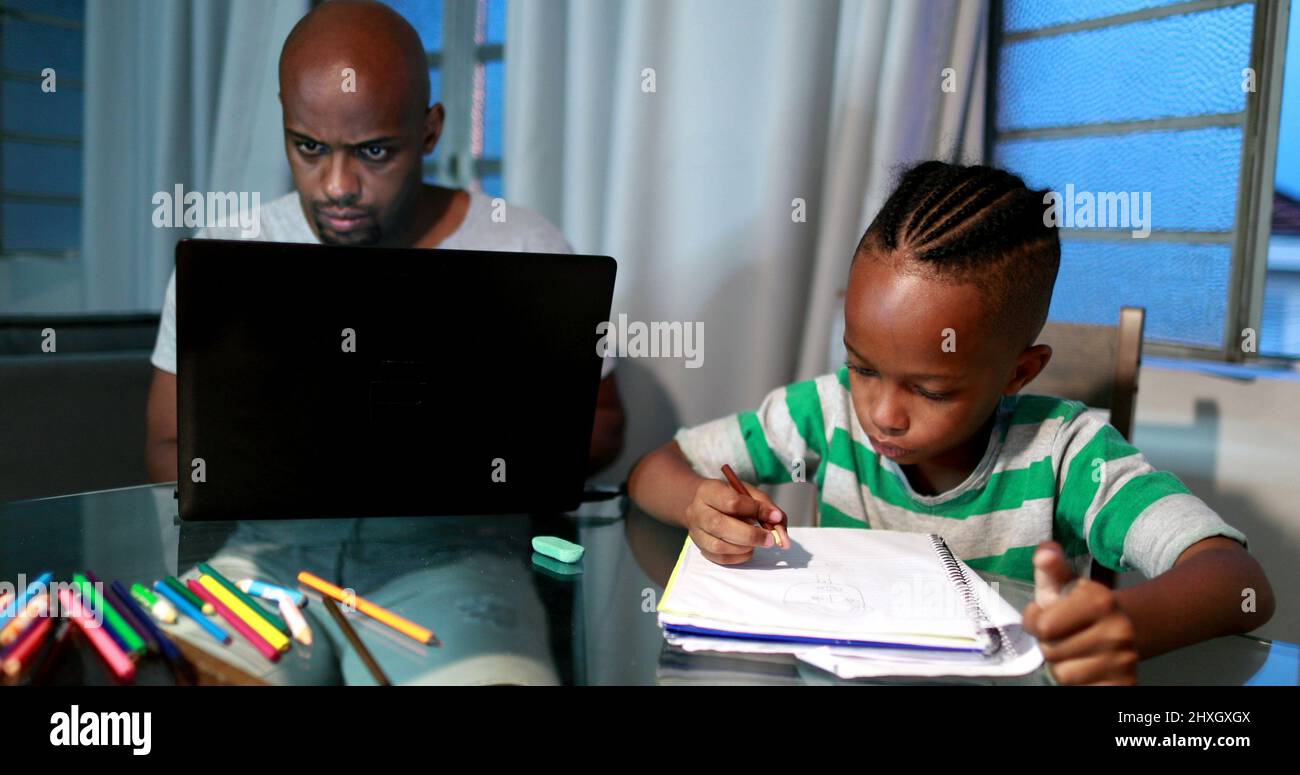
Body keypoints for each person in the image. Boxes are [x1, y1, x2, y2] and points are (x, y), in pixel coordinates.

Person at [627, 160, 1274, 685]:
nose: (880, 413)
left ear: (1019, 373)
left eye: (930, 389)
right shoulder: (820, 414)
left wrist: (1124, 625)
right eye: (862, 366)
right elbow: (651, 471)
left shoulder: (1067, 455)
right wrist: (697, 506)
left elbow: (1238, 581)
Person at [145, 0, 624, 482]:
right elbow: (167, 446)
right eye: (310, 147)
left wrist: (458, 468)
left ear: (430, 131)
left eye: (373, 151)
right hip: (264, 551)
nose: (337, 187)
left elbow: (602, 423)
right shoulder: (227, 254)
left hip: (469, 544)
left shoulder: (524, 249)